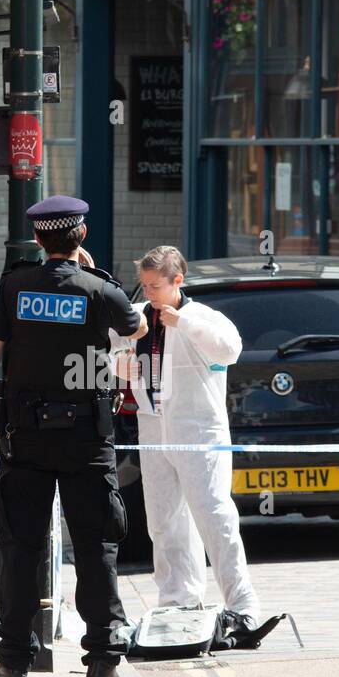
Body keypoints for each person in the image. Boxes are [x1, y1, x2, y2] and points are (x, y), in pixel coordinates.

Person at [0, 196, 148, 677]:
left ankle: (13, 660)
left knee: (21, 546)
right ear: (81, 238)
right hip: (86, 440)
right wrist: (103, 279)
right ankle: (103, 663)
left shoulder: (14, 287)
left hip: (24, 435)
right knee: (97, 547)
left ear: (37, 239)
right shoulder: (98, 290)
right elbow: (140, 325)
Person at [123, 246, 264, 630]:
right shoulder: (135, 318)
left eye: (155, 285)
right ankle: (177, 599)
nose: (148, 292)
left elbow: (230, 350)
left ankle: (243, 601)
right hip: (153, 429)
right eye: (144, 285)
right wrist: (117, 364)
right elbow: (108, 361)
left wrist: (181, 322)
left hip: (199, 431)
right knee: (164, 519)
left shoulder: (203, 317)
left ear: (177, 281)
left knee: (214, 514)